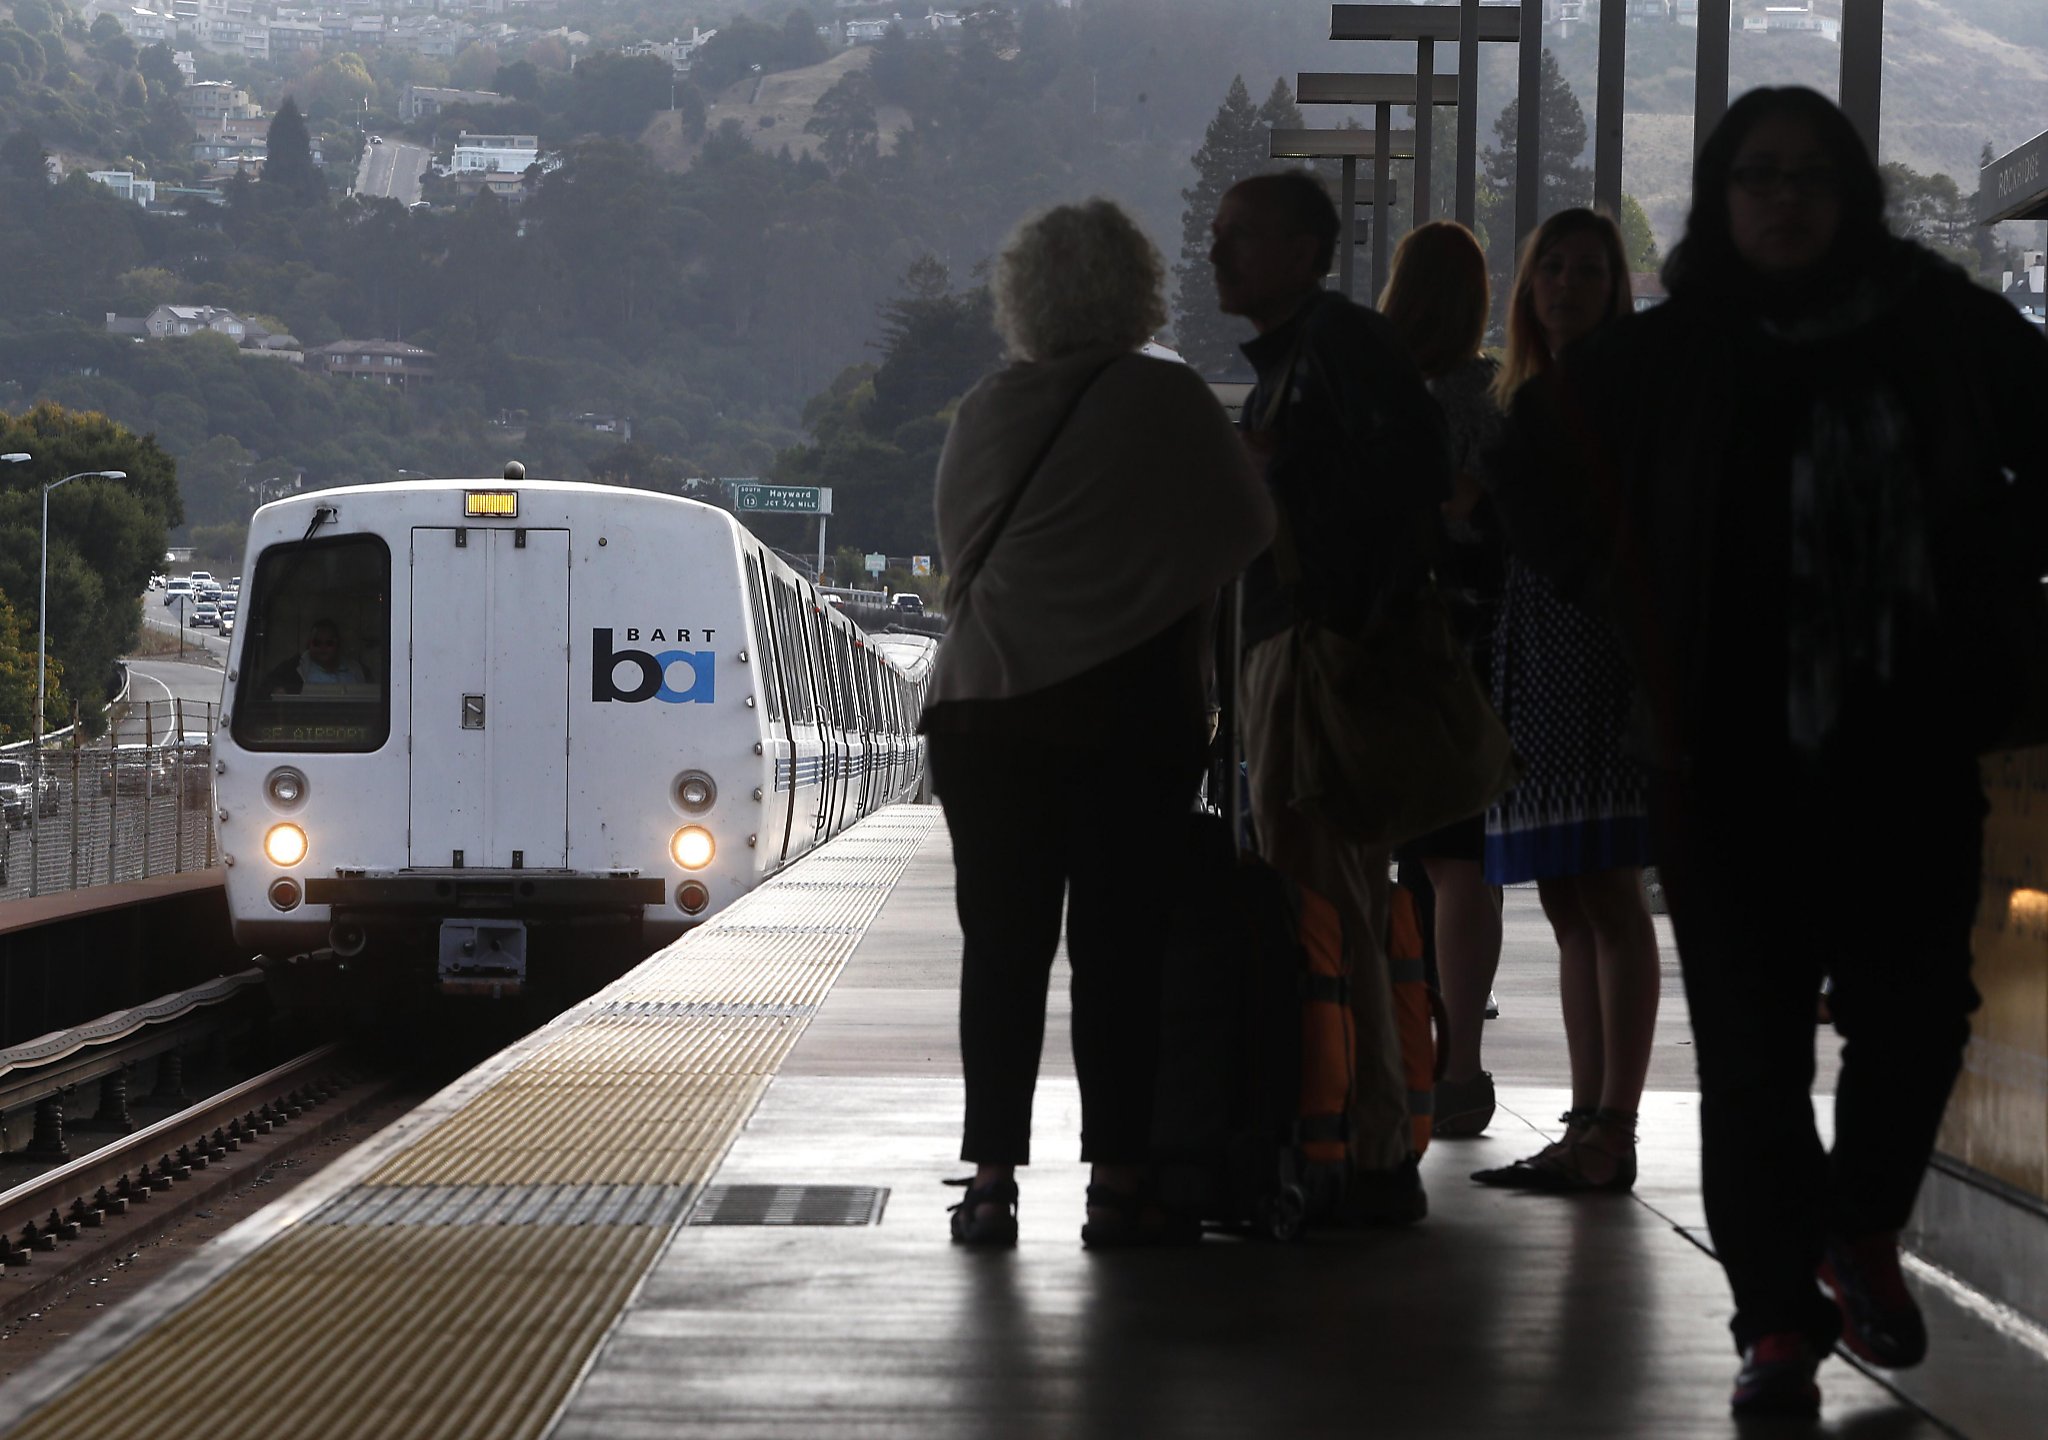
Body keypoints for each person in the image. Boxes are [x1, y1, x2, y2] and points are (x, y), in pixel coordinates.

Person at [1491, 87, 2048, 1417]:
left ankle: (1856, 1226)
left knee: (1917, 1023)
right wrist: (1612, 587)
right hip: (1724, 758)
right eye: (1758, 178)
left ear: (1847, 194)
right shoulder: (1674, 350)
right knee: (1749, 1053)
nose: (1784, 199)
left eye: (1807, 177)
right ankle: (1777, 1322)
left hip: (1906, 745)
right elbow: (1535, 459)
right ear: (1725, 198)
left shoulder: (1939, 327)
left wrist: (2005, 594)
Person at [922, 198, 1274, 1248]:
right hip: (1130, 717)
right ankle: (1117, 1182)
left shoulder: (987, 408)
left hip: (986, 714)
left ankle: (990, 1183)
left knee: (1002, 952)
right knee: (1117, 957)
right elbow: (1246, 531)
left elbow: (956, 555)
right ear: (1139, 290)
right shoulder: (1167, 403)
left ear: (1022, 297)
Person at [1209, 171, 1453, 1222]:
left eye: (1243, 238)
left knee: (1326, 894)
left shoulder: (1339, 349)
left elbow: (1413, 478)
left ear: (1311, 249)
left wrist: (1351, 620)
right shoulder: (1297, 360)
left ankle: (1358, 1147)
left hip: (1318, 651)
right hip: (1298, 647)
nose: (1218, 254)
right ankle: (1358, 1133)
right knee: (1333, 893)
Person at [1471, 208, 1660, 1195]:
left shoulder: (1617, 395)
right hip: (1541, 650)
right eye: (1551, 269)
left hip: (1597, 649)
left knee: (1606, 889)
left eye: (1587, 270)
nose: (1566, 286)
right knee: (1566, 894)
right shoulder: (1535, 396)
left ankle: (1611, 1125)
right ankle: (1585, 1116)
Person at [1376, 220, 1509, 1137]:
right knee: (1462, 864)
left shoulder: (1380, 395)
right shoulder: (1491, 395)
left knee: (1408, 859)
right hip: (1478, 645)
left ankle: (1397, 1051)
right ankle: (1459, 1062)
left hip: (1388, 644)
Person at [268, 618, 369, 694]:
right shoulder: (290, 670)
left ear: (338, 645)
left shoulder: (358, 670)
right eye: (317, 643)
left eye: (329, 643)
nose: (323, 647)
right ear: (309, 645)